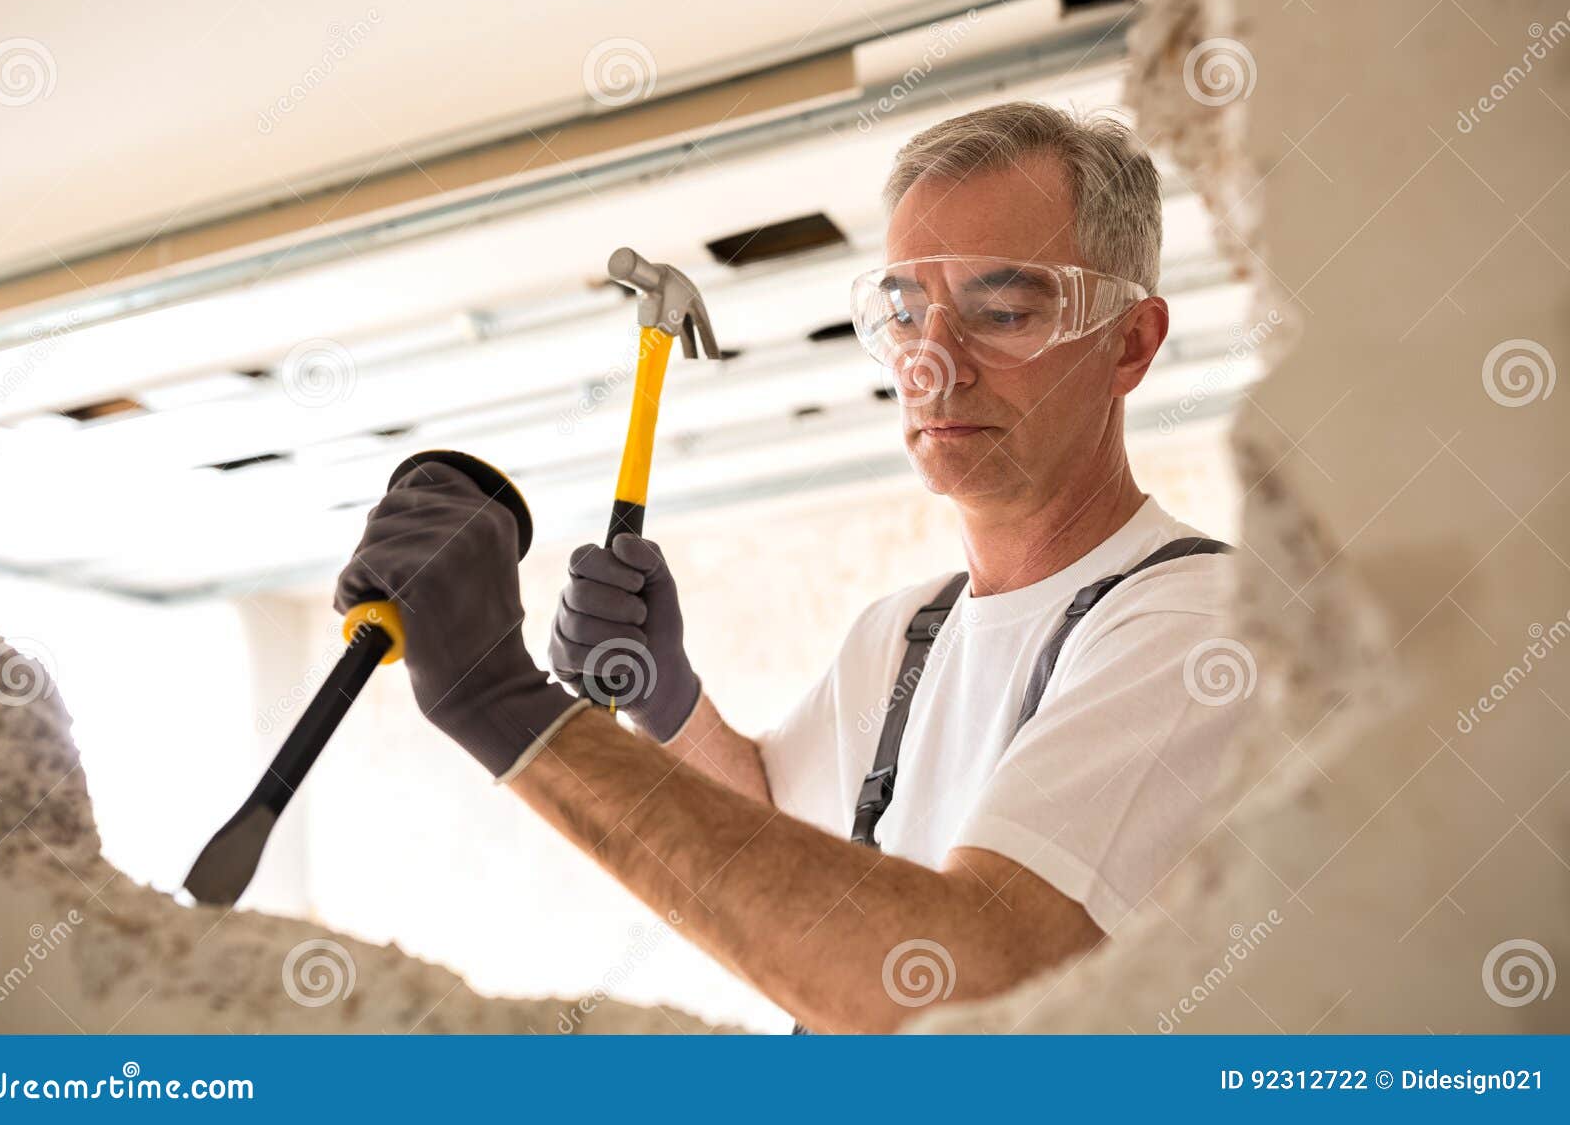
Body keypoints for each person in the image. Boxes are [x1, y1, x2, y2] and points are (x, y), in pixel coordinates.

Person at [335, 102, 1249, 1033]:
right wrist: (670, 706)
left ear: (1130, 342)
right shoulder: (905, 634)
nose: (931, 364)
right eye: (903, 313)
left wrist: (503, 703)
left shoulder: (1200, 625)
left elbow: (976, 986)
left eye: (1001, 311)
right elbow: (780, 844)